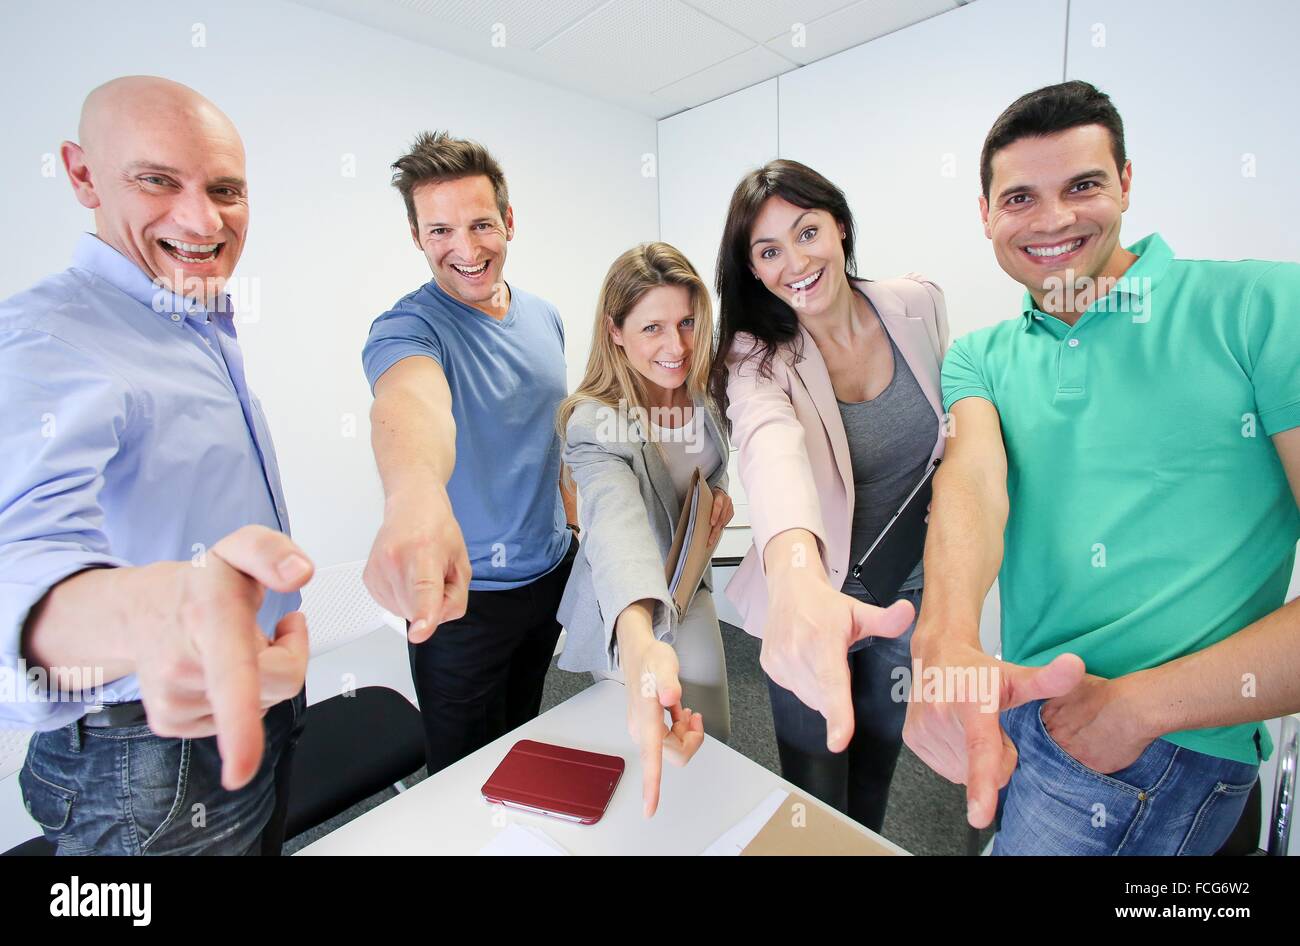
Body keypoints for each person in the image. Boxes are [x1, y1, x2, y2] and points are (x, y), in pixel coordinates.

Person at [904, 80, 1300, 855]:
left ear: (1126, 182)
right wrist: (945, 641)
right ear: (985, 214)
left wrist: (1138, 707)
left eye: (1082, 185)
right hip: (1026, 701)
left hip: (1162, 742)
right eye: (1020, 197)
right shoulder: (979, 356)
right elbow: (973, 486)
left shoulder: (1264, 306)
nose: (1052, 220)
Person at [0, 76, 313, 855]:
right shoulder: (47, 336)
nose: (202, 219)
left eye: (225, 189)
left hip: (259, 705)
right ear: (82, 175)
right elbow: (16, 557)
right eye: (157, 181)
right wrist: (160, 614)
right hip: (148, 761)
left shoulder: (196, 322)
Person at [713, 159, 947, 832]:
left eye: (807, 231)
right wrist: (796, 578)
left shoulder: (919, 304)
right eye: (768, 250)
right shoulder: (757, 357)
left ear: (839, 226)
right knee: (817, 793)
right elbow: (769, 447)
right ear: (753, 269)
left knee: (875, 768)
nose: (795, 262)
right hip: (811, 601)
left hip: (907, 593)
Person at [361, 131, 578, 775]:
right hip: (464, 601)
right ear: (417, 237)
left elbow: (548, 430)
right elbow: (410, 407)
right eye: (440, 231)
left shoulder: (546, 317)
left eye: (481, 224)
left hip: (548, 577)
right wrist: (413, 496)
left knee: (522, 744)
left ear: (509, 222)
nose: (465, 247)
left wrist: (569, 519)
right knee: (460, 778)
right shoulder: (407, 328)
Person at [556, 243, 734, 817]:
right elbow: (614, 525)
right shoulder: (596, 420)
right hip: (629, 606)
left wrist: (716, 497)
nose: (675, 346)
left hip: (691, 589)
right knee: (639, 762)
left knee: (714, 743)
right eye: (652, 327)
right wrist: (639, 638)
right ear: (615, 331)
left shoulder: (704, 391)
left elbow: (706, 468)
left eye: (686, 323)